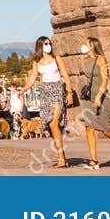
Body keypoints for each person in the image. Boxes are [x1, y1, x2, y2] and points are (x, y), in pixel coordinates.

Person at [75, 38, 110, 168]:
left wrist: (99, 97)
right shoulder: (86, 60)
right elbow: (86, 75)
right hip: (89, 98)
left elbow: (105, 81)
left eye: (86, 44)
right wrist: (83, 59)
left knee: (106, 130)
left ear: (92, 46)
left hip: (101, 98)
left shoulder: (101, 59)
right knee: (89, 128)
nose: (84, 46)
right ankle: (94, 160)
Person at [22, 35, 71, 168]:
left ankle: (61, 158)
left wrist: (70, 92)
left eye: (49, 43)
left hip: (57, 91)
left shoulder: (57, 58)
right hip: (44, 93)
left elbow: (65, 75)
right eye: (46, 44)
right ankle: (63, 157)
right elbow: (32, 79)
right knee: (51, 126)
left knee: (54, 123)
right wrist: (23, 90)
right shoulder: (36, 61)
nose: (49, 46)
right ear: (40, 46)